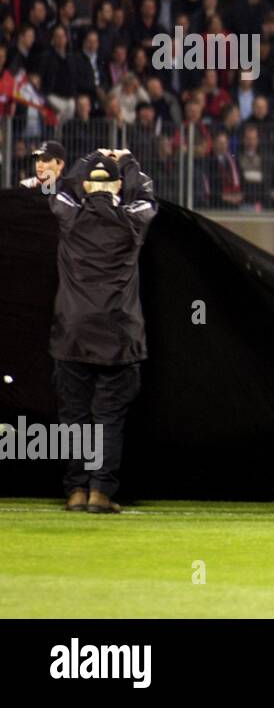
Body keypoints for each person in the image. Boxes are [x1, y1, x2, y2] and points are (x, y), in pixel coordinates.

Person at [48, 149, 158, 513]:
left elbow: (63, 185)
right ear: (116, 186)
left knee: (75, 417)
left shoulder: (69, 216)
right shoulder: (132, 221)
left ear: (85, 186)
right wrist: (125, 160)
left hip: (72, 333)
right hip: (118, 336)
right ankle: (100, 492)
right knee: (108, 418)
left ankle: (76, 490)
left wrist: (92, 156)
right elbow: (146, 194)